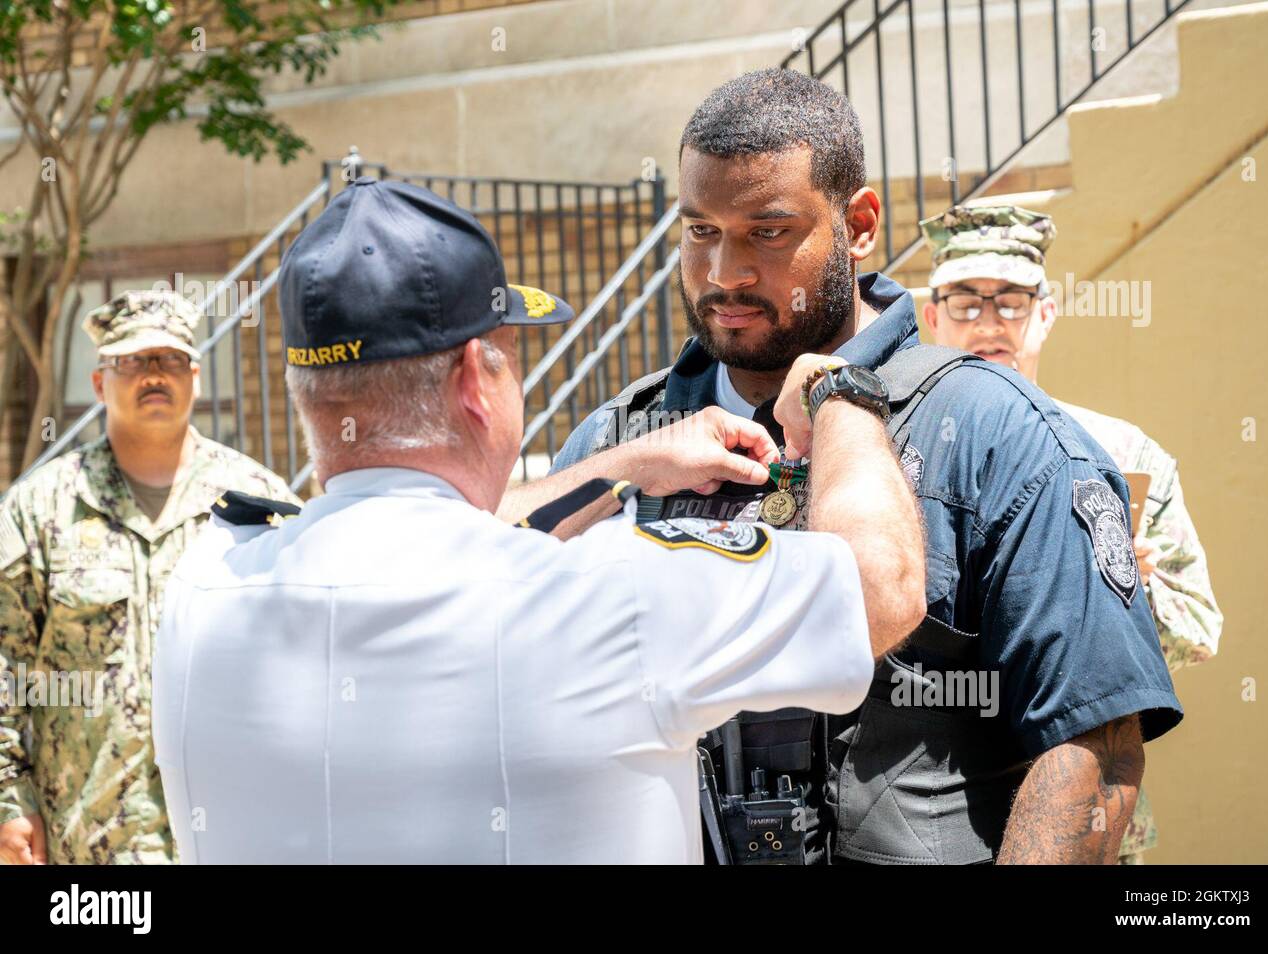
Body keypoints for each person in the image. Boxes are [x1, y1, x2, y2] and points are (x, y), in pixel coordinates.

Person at [151, 177, 927, 864]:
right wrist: (845, 392)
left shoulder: (201, 592)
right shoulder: (612, 598)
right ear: (474, 380)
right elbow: (880, 586)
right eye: (511, 354)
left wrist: (625, 463)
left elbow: (435, 526)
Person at [540, 68, 1184, 864]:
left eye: (767, 232)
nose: (724, 274)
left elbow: (1097, 740)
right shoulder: (618, 445)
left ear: (861, 225)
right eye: (700, 230)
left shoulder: (997, 433)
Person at [919, 203, 1223, 863]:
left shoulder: (1121, 454)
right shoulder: (896, 455)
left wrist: (1126, 595)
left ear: (1047, 314)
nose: (991, 322)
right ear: (930, 316)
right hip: (930, 804)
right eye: (966, 302)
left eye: (1012, 300)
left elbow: (1199, 624)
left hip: (1090, 811)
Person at [0, 291, 298, 865]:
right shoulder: (39, 509)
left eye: (168, 360)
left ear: (195, 376)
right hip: (85, 845)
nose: (152, 375)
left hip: (232, 839)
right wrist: (10, 801)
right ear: (98, 383)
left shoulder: (262, 505)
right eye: (132, 362)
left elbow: (301, 660)